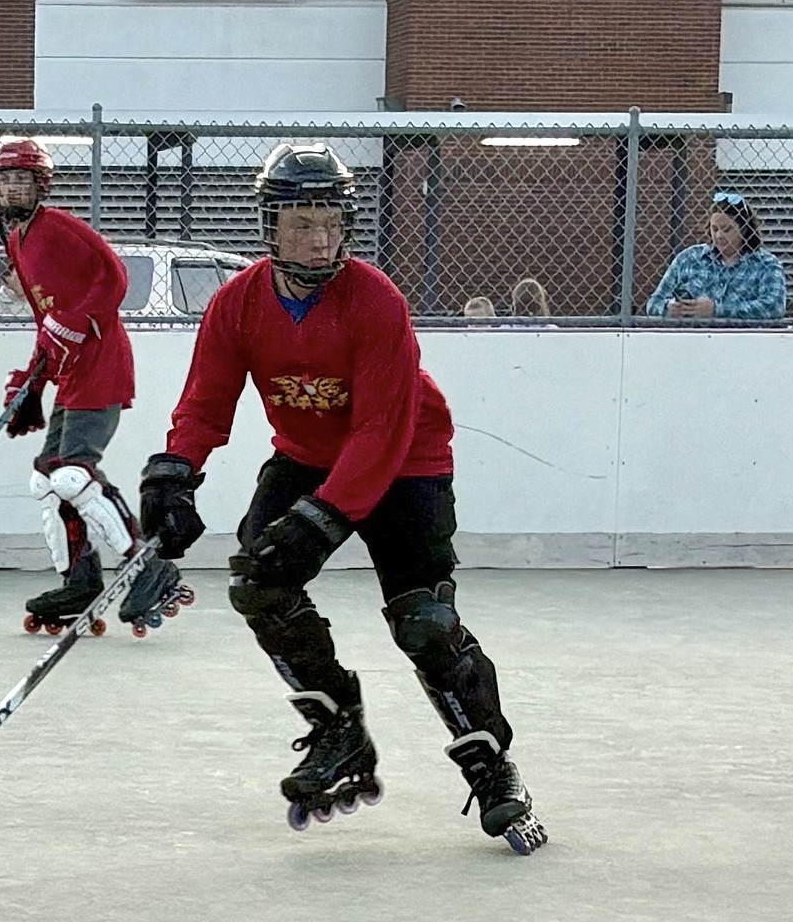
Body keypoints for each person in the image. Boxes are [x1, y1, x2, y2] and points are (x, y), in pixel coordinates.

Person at [135, 142, 547, 854]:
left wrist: (320, 520)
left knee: (423, 623)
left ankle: (492, 766)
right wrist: (173, 471)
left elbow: (383, 431)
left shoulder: (376, 300)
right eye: (302, 222)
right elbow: (205, 406)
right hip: (306, 456)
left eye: (331, 221)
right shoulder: (236, 305)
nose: (320, 238)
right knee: (260, 582)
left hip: (405, 461)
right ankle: (339, 728)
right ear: (270, 224)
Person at [0, 137, 187, 637]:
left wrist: (78, 319)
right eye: (5, 178)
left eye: (23, 178)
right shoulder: (17, 241)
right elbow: (46, 321)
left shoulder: (58, 227)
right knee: (46, 481)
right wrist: (33, 381)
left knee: (73, 474)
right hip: (71, 373)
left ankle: (147, 566)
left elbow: (114, 278)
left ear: (41, 184)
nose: (14, 186)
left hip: (101, 365)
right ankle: (78, 580)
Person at [644, 191, 787, 319]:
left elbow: (774, 307)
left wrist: (717, 310)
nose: (719, 235)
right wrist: (669, 308)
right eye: (715, 229)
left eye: (727, 229)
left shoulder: (766, 265)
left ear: (744, 229)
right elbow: (653, 303)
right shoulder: (688, 259)